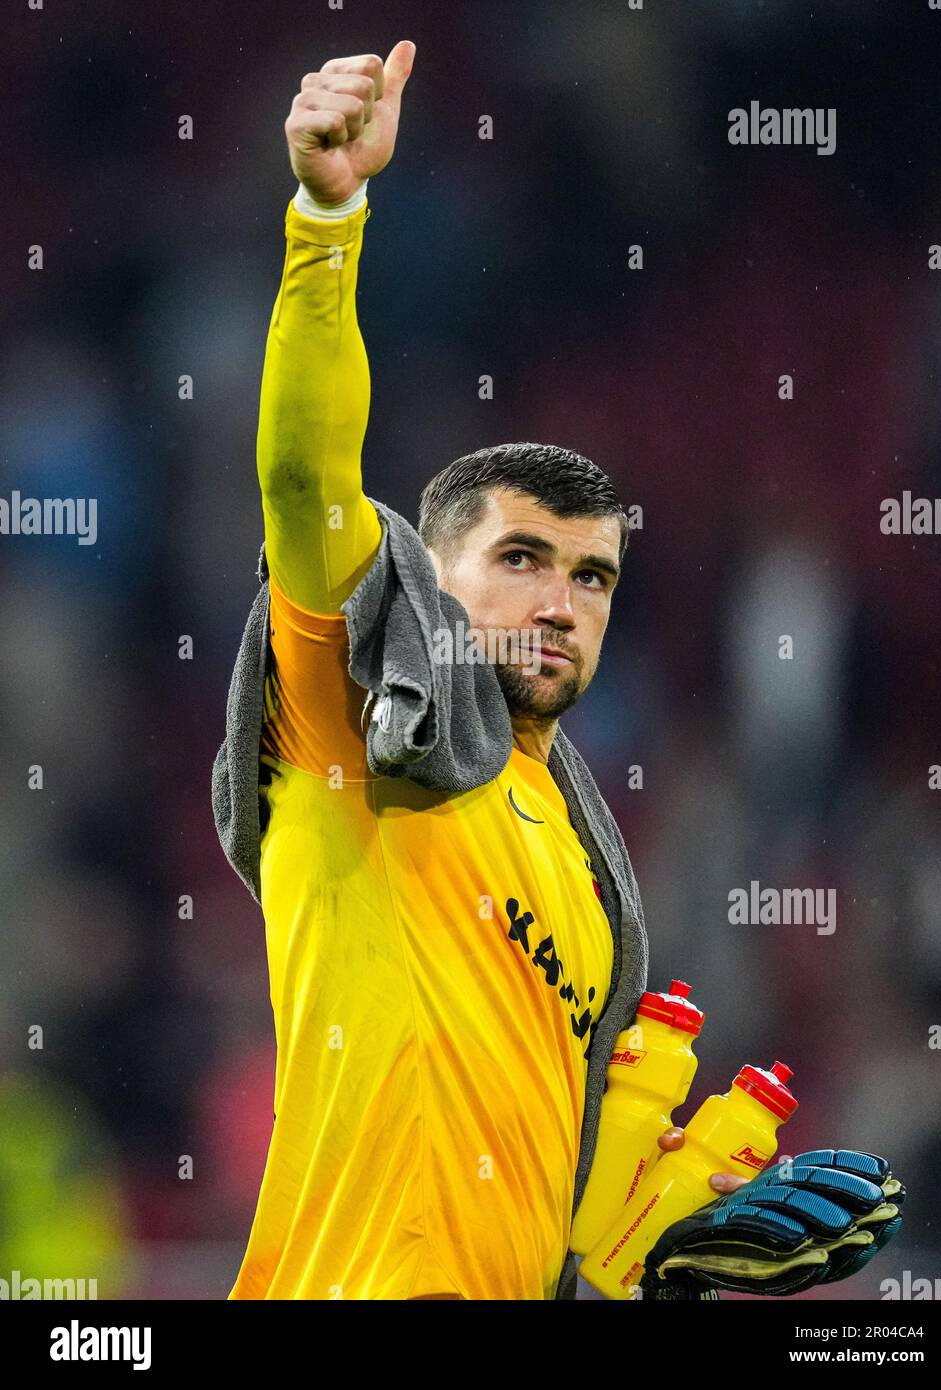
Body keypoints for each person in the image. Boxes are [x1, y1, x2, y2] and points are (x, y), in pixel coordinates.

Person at [224, 42, 902, 1301]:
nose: (559, 600)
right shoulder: (354, 722)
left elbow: (562, 1213)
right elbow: (301, 480)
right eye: (521, 557)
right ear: (426, 575)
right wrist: (327, 219)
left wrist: (668, 1256)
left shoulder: (590, 879)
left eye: (590, 576)